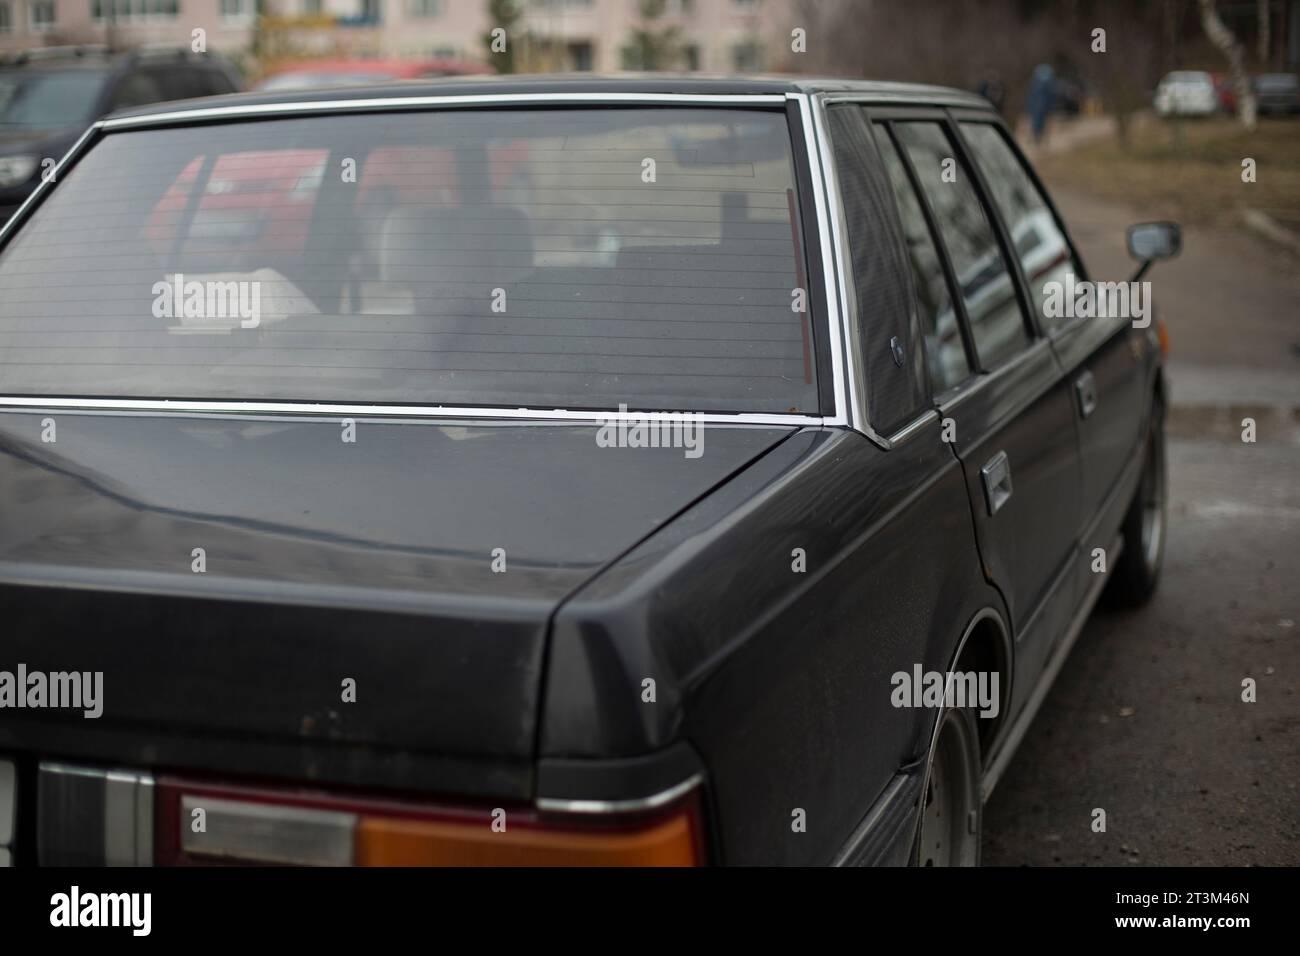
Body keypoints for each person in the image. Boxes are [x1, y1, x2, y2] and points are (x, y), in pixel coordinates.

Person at [1026, 63, 1056, 144]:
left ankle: (1040, 138)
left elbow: (1051, 97)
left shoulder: (1039, 84)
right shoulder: (1041, 84)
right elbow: (1031, 97)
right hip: (1039, 108)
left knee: (1041, 124)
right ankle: (1038, 138)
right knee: (1037, 124)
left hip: (1041, 108)